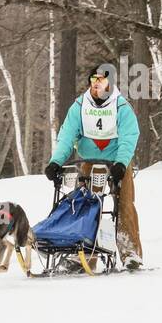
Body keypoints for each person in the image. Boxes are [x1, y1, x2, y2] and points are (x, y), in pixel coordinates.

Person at [44, 63, 143, 269]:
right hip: (88, 160)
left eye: (102, 81)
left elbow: (129, 137)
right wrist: (56, 161)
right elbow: (67, 136)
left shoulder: (121, 107)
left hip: (117, 161)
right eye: (94, 81)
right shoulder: (80, 106)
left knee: (124, 203)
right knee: (84, 203)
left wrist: (122, 164)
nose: (97, 86)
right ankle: (84, 253)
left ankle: (130, 252)